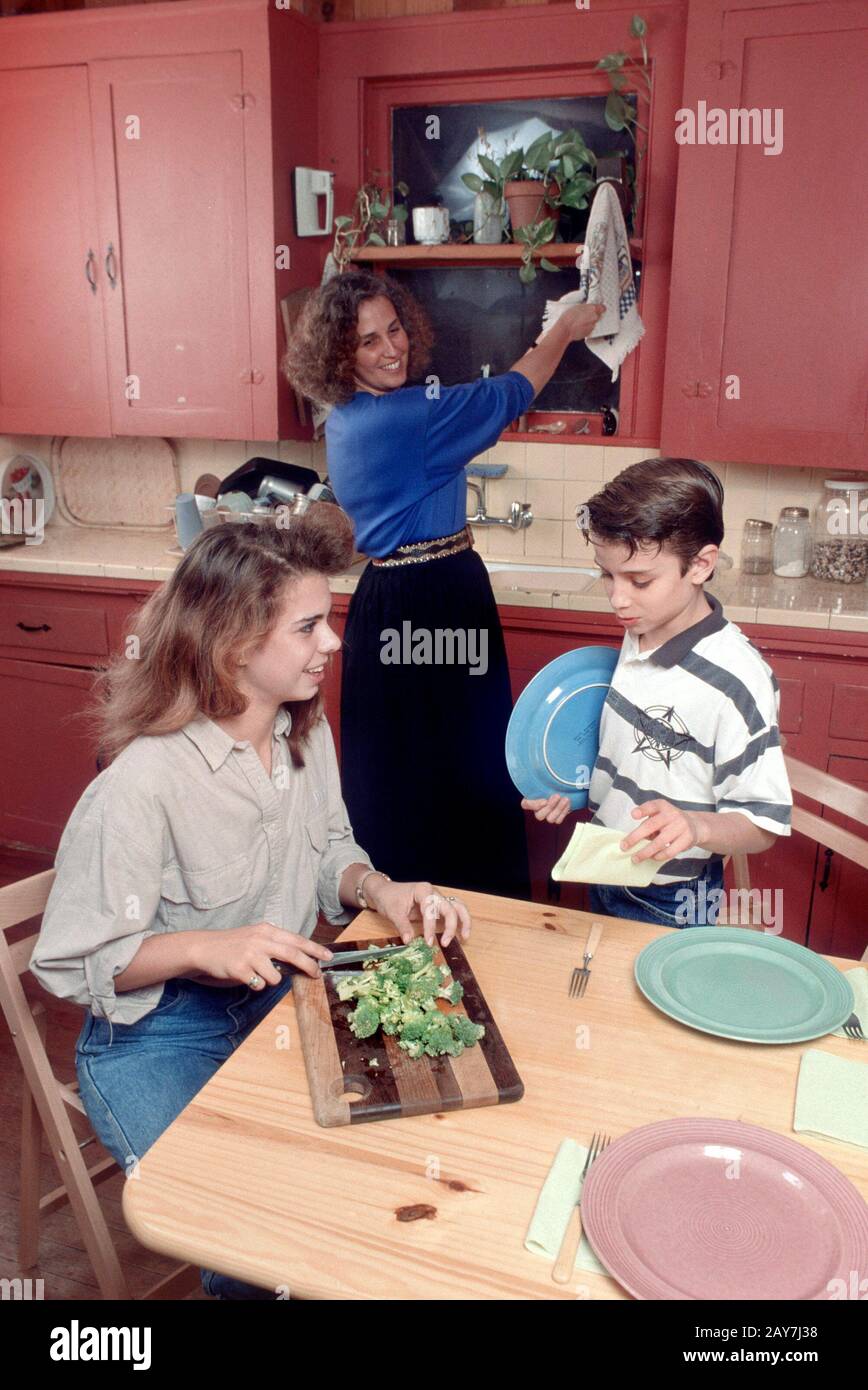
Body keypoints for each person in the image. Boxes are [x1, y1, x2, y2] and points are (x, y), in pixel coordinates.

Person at [29, 507, 470, 1300]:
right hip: (157, 1036)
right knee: (251, 1243)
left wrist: (379, 888)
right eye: (308, 627)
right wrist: (206, 946)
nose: (332, 643)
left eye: (327, 621)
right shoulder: (142, 784)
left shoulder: (305, 731)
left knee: (378, 1186)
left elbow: (331, 849)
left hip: (273, 1003)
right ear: (233, 646)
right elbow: (71, 961)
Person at [283, 270, 604, 901]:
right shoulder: (406, 418)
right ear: (341, 357)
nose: (390, 349)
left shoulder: (347, 417)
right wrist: (564, 329)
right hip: (434, 599)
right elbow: (511, 394)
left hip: (389, 599)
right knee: (466, 761)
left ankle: (399, 911)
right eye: (368, 342)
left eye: (394, 329)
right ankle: (474, 914)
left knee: (401, 767)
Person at [523, 457, 793, 927]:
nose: (617, 599)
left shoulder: (737, 682)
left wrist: (696, 826)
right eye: (607, 575)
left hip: (674, 896)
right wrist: (577, 788)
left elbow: (761, 824)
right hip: (606, 867)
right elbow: (638, 757)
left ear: (701, 565)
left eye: (640, 580)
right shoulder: (642, 625)